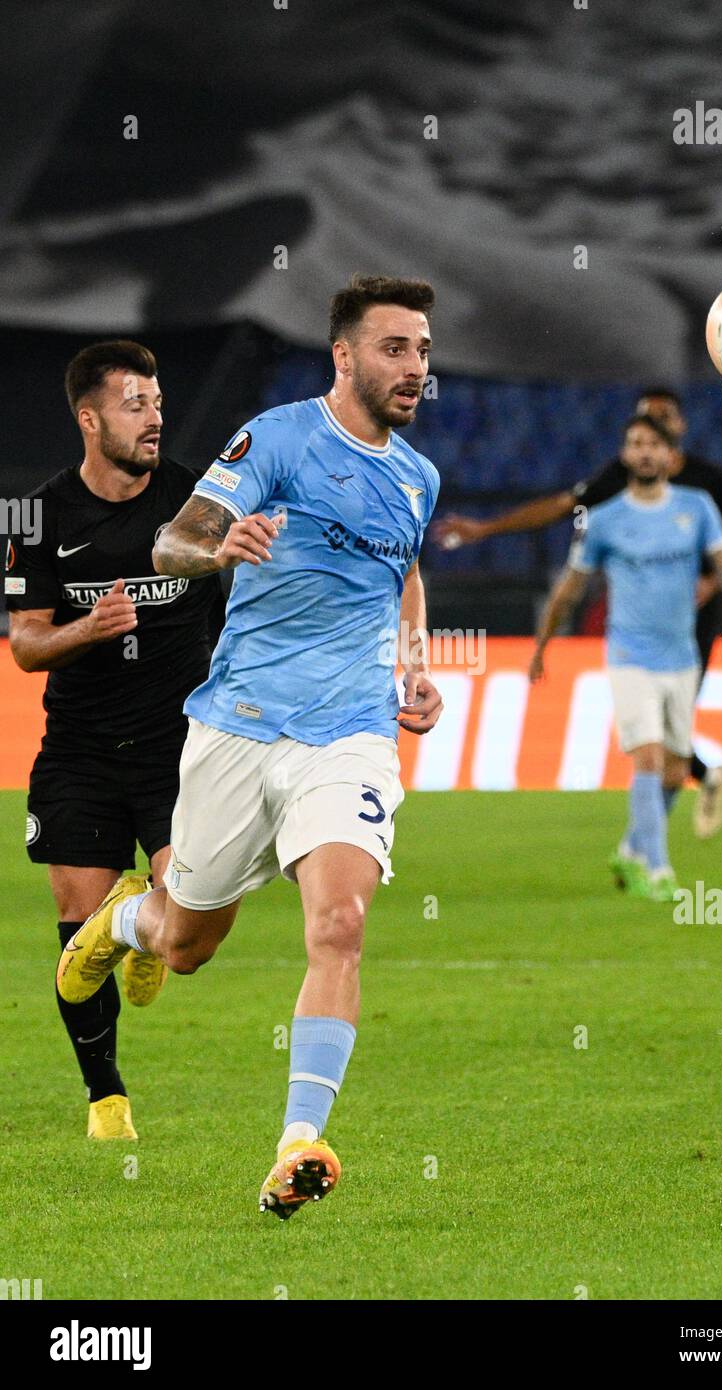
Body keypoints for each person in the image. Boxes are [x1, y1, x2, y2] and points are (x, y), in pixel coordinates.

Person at [57, 275, 444, 1218]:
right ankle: (122, 924)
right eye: (394, 348)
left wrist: (415, 667)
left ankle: (298, 1141)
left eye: (424, 350)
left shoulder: (419, 478)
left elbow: (403, 571)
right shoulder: (276, 437)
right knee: (187, 944)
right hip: (237, 724)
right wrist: (219, 550)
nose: (415, 369)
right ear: (344, 355)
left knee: (339, 924)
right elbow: (171, 544)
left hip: (348, 733)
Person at [6, 340, 220, 1139]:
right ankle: (107, 1100)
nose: (156, 416)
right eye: (137, 404)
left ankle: (143, 927)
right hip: (82, 754)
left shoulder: (199, 497)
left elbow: (237, 604)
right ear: (89, 418)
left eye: (159, 401)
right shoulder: (32, 514)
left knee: (191, 931)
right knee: (73, 924)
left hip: (182, 751)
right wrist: (89, 628)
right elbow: (25, 645)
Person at [435, 388, 722, 835]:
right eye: (644, 422)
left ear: (679, 429)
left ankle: (656, 830)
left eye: (662, 419)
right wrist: (487, 529)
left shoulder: (709, 483)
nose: (652, 431)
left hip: (692, 621)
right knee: (659, 744)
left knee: (670, 745)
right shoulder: (618, 481)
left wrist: (716, 582)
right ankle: (656, 837)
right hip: (635, 630)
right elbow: (560, 506)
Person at [528, 414, 722, 901]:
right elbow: (571, 588)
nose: (645, 451)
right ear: (626, 454)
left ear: (670, 456)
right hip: (629, 654)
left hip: (682, 656)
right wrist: (543, 645)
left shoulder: (696, 508)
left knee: (675, 772)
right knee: (648, 756)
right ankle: (657, 870)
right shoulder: (606, 519)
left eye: (654, 444)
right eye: (635, 443)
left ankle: (631, 850)